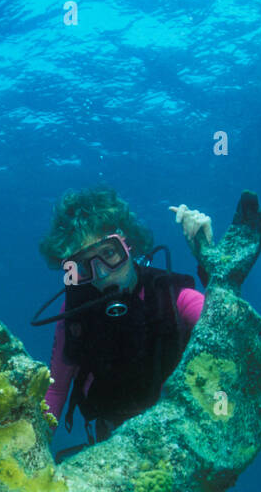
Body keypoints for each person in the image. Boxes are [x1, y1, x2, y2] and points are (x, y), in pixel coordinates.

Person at [33, 188, 211, 451]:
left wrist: (210, 262)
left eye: (109, 253)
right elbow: (56, 390)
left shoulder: (171, 296)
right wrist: (31, 450)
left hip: (181, 440)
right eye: (85, 265)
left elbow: (228, 327)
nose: (103, 274)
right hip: (110, 445)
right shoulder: (75, 311)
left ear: (128, 244)